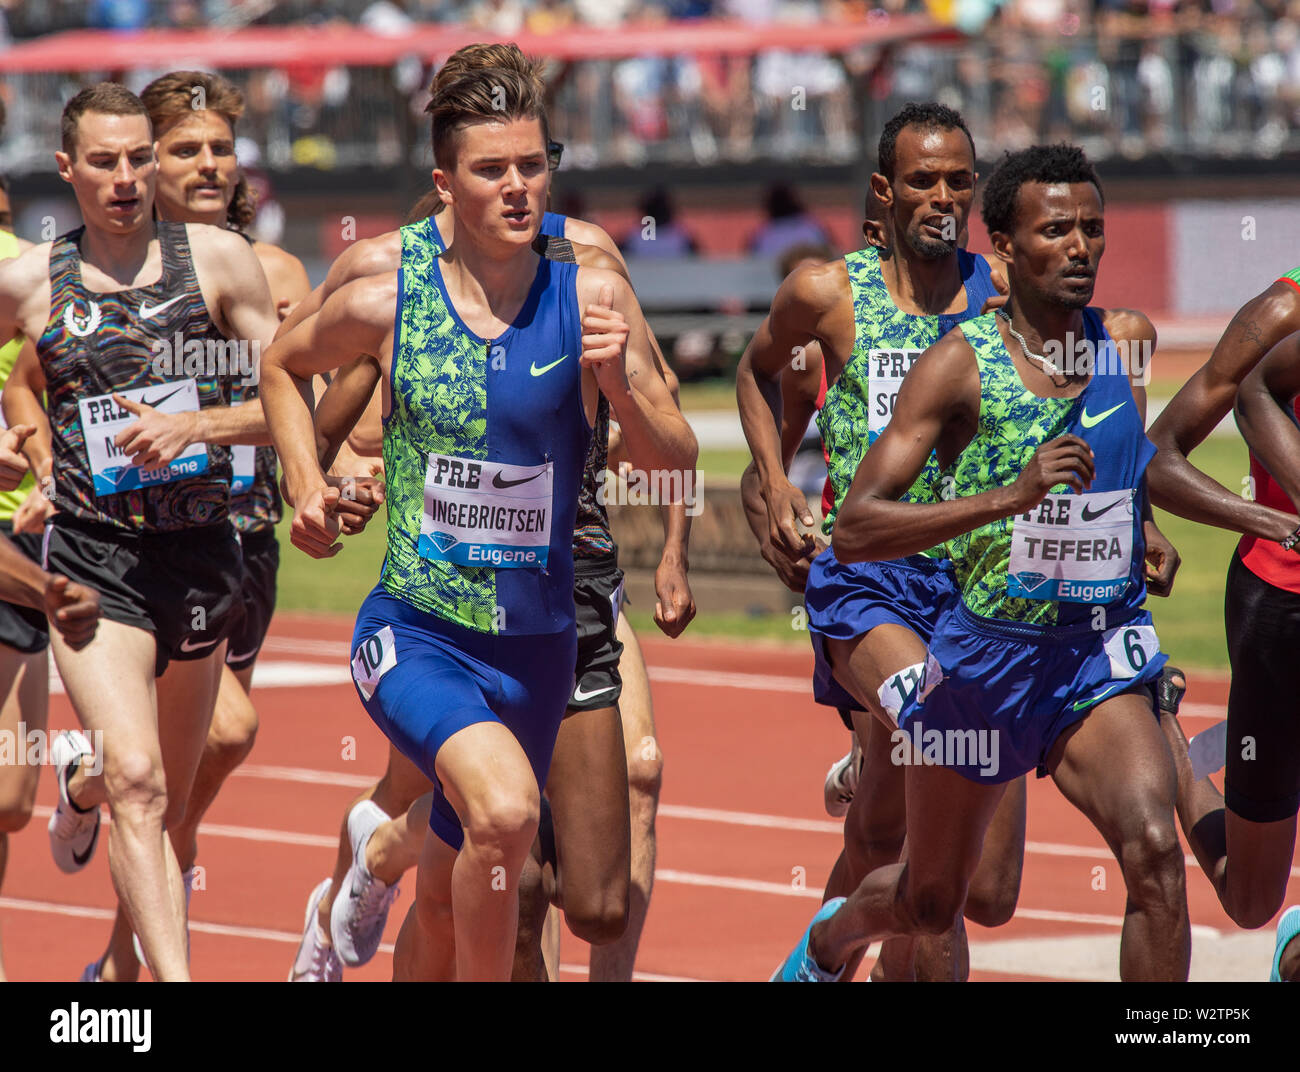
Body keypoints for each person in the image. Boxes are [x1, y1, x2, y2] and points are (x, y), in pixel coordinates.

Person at [260, 61, 695, 980]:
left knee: (472, 893)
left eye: (533, 165)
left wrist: (619, 389)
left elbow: (676, 455)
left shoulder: (591, 297)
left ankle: (381, 857)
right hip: (419, 631)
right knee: (505, 815)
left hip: (542, 639)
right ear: (444, 184)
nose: (518, 187)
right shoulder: (389, 291)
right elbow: (281, 365)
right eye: (492, 169)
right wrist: (308, 484)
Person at [774, 143, 1188, 982]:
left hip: (1088, 655)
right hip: (987, 657)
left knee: (1153, 852)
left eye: (1093, 229)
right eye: (1057, 230)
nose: (1081, 247)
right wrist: (1010, 497)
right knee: (941, 900)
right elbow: (856, 524)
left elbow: (1125, 465)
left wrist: (1141, 525)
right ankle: (830, 940)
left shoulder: (1123, 344)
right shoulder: (959, 362)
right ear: (1003, 246)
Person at [738, 102, 1025, 982]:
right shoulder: (828, 293)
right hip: (870, 581)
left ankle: (824, 946)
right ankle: (877, 751)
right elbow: (758, 370)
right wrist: (776, 482)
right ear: (883, 191)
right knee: (941, 755)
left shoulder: (1001, 299)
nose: (943, 197)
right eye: (922, 181)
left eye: (959, 182)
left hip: (980, 592)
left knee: (973, 881)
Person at [0, 83, 281, 982]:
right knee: (138, 780)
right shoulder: (29, 282)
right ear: (67, 169)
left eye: (138, 159)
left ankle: (117, 973)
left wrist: (197, 428)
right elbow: (13, 390)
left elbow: (287, 401)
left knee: (174, 795)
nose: (126, 179)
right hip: (91, 560)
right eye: (105, 162)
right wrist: (14, 446)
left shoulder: (221, 262)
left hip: (201, 555)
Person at [66, 70, 328, 983]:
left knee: (171, 796)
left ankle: (116, 967)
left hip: (237, 540)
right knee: (209, 743)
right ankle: (97, 781)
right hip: (117, 540)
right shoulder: (92, 269)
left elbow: (314, 398)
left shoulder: (270, 270)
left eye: (221, 147)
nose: (208, 163)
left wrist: (335, 468)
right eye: (185, 148)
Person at [1146, 264, 1300, 934]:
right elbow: (1159, 455)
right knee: (1250, 898)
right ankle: (1165, 726)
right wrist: (1275, 521)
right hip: (1282, 610)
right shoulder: (1276, 316)